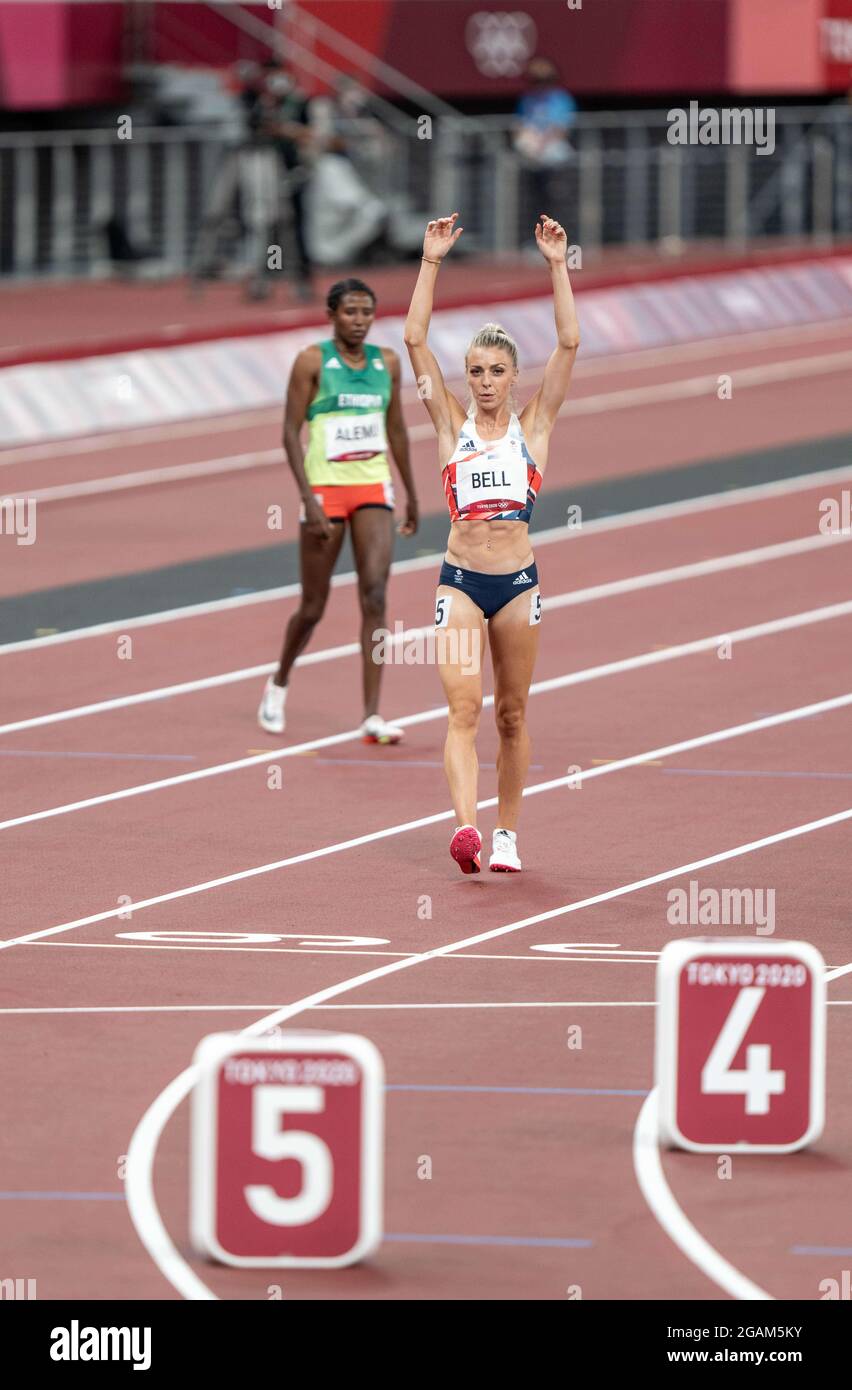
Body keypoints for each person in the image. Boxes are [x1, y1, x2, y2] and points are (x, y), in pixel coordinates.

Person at [404, 213, 579, 873]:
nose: (481, 381)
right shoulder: (450, 425)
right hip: (459, 582)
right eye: (474, 369)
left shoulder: (533, 429)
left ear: (512, 377)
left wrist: (558, 266)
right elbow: (414, 338)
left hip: (516, 586)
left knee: (510, 712)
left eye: (494, 370)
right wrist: (431, 261)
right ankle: (466, 830)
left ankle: (507, 832)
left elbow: (568, 343)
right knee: (459, 707)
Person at [258, 277, 419, 742]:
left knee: (375, 595)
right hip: (325, 489)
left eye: (367, 312)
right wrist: (307, 499)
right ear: (332, 315)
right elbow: (289, 433)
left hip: (372, 487)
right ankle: (279, 681)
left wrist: (411, 493)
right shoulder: (312, 361)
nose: (359, 321)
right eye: (350, 312)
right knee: (313, 606)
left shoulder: (386, 363)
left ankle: (371, 714)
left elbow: (398, 431)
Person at [514, 58, 577, 241]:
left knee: (557, 200)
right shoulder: (527, 99)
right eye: (535, 81)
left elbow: (562, 128)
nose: (539, 86)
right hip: (533, 159)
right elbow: (520, 125)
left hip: (554, 156)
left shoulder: (560, 99)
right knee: (534, 202)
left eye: (544, 81)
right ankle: (534, 240)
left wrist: (543, 142)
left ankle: (562, 239)